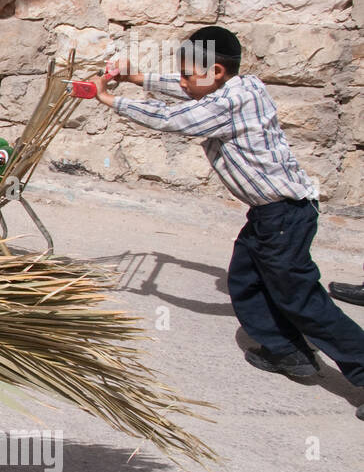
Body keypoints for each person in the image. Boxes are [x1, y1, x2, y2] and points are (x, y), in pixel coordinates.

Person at [92, 25, 364, 419]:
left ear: (216, 71)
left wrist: (110, 99)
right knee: (245, 279)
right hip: (275, 214)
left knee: (301, 299)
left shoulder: (224, 104)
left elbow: (174, 119)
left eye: (188, 73)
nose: (182, 80)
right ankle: (289, 353)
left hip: (283, 215)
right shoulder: (239, 85)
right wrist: (136, 77)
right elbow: (183, 87)